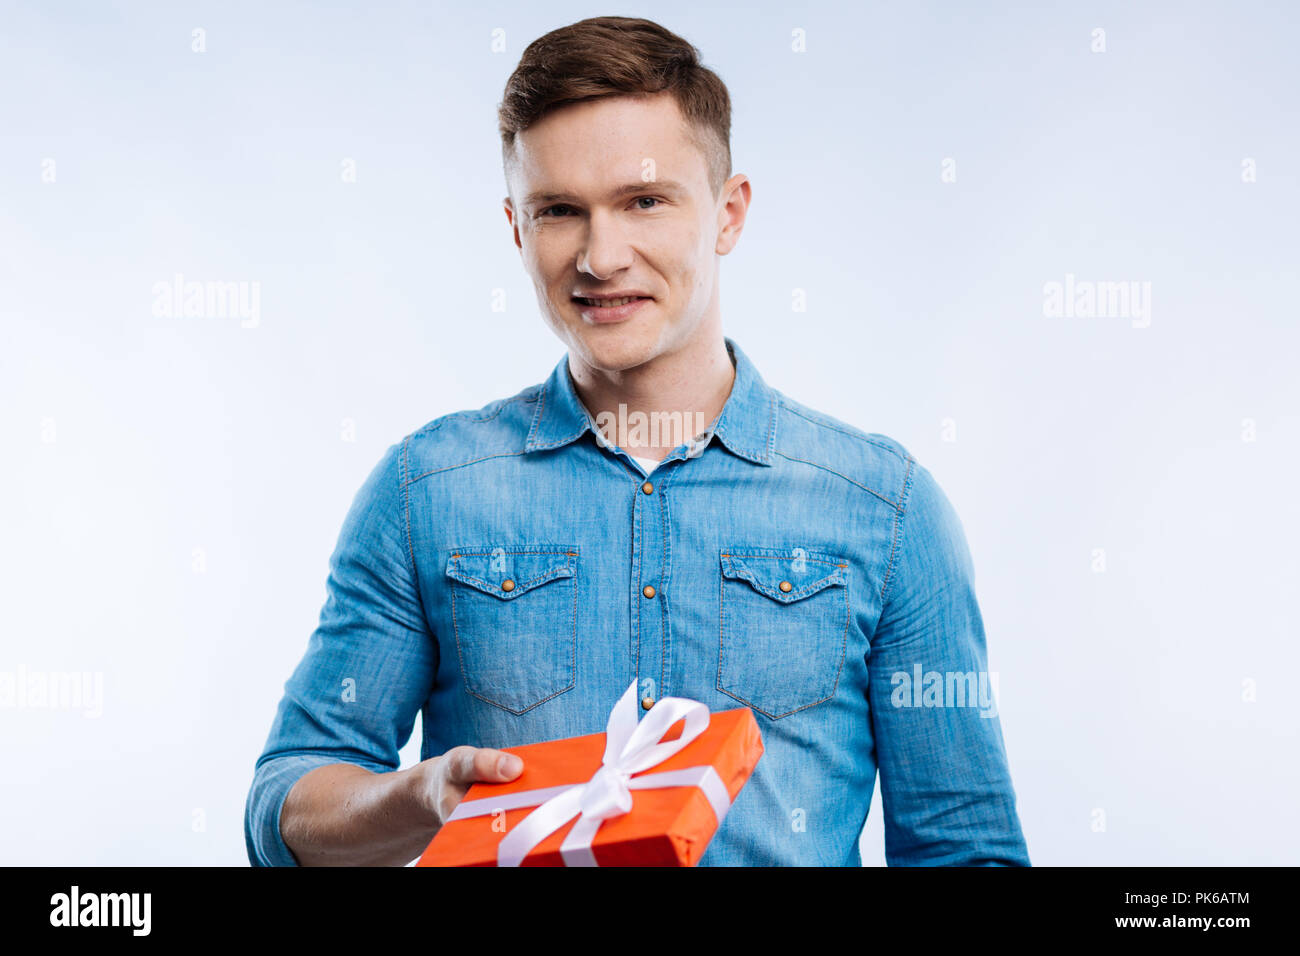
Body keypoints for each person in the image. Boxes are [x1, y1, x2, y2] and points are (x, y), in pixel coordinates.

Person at [244, 15, 1030, 867]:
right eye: (559, 211)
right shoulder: (423, 493)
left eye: (643, 201)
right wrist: (418, 797)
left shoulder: (887, 510)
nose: (600, 256)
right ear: (516, 228)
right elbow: (284, 806)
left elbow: (967, 851)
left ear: (729, 215)